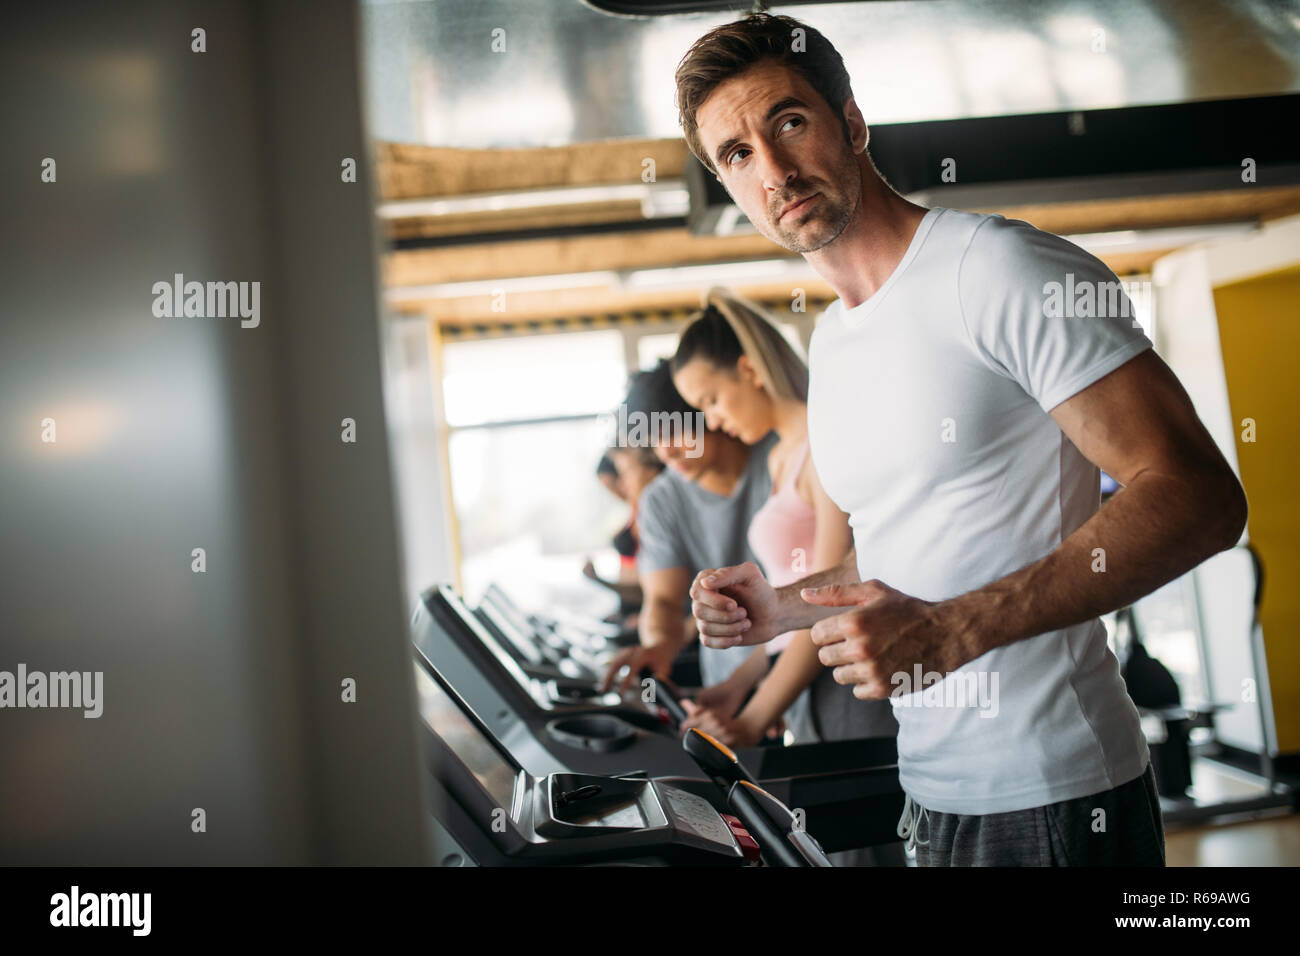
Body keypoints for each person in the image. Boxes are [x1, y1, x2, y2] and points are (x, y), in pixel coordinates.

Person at [675, 13, 1247, 866]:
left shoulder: (1002, 270)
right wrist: (781, 607)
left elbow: (1199, 499)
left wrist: (953, 633)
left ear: (853, 124)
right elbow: (909, 553)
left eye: (789, 122)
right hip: (931, 793)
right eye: (737, 154)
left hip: (1057, 792)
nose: (775, 170)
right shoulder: (834, 341)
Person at [669, 288, 898, 750]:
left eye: (711, 399)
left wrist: (754, 718)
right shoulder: (779, 458)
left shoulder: (822, 446)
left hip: (845, 681)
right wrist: (736, 688)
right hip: (803, 686)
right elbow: (785, 612)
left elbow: (826, 599)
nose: (711, 422)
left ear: (749, 370)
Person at [599, 360, 776, 694]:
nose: (666, 452)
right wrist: (659, 646)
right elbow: (663, 599)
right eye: (653, 441)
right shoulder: (661, 501)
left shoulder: (778, 459)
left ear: (703, 408)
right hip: (727, 688)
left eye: (673, 432)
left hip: (812, 664)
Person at [584, 448, 663, 616]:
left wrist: (601, 581)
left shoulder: (652, 515)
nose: (620, 489)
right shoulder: (634, 512)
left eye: (626, 473)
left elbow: (654, 589)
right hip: (633, 608)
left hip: (645, 610)